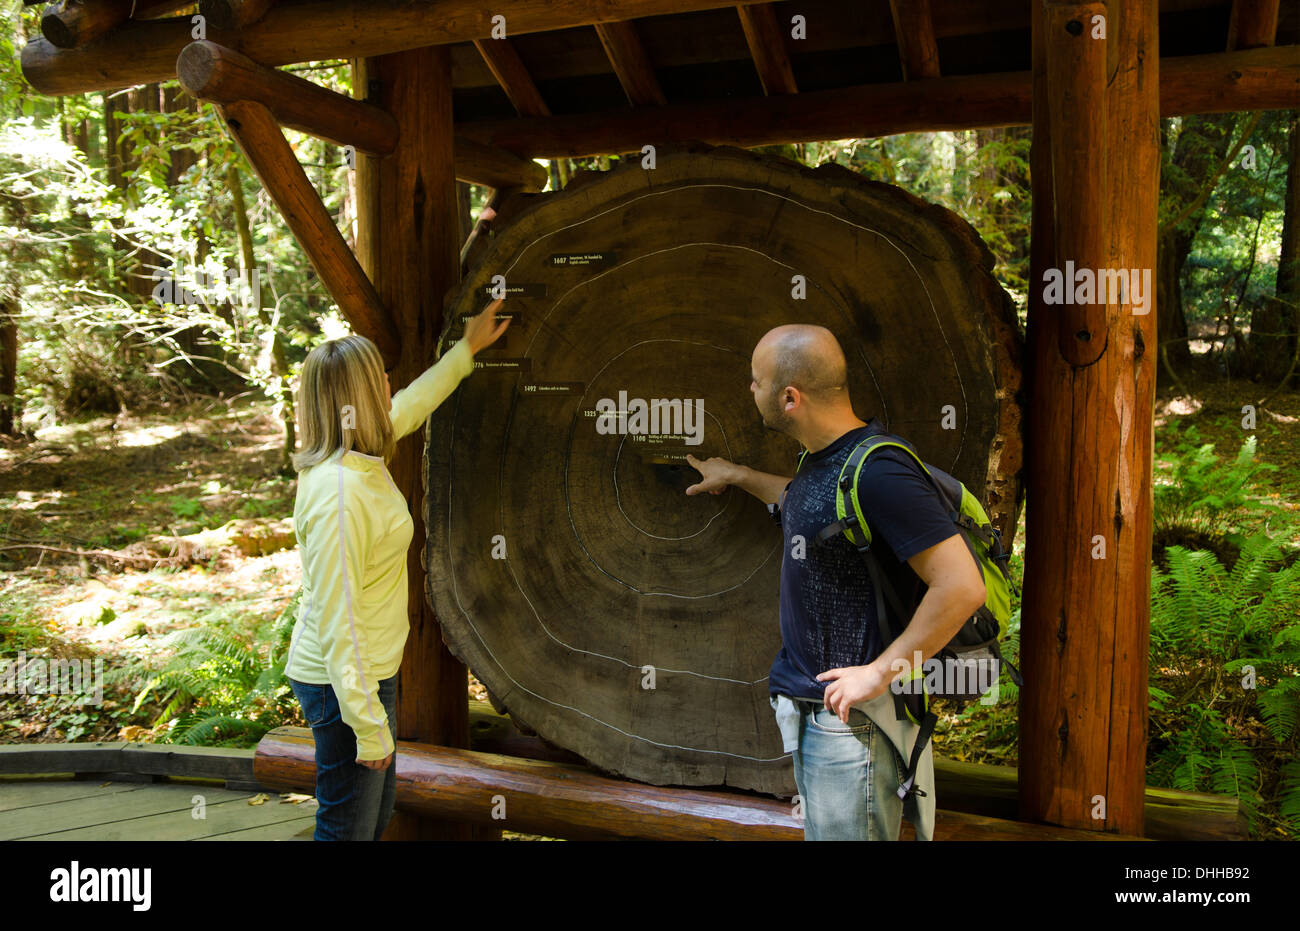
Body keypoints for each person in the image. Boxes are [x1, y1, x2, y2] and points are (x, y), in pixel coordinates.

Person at [684, 324, 985, 841]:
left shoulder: (880, 472)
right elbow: (808, 504)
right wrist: (737, 475)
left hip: (857, 725)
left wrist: (877, 675)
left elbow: (961, 586)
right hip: (821, 714)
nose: (748, 390)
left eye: (755, 381)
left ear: (789, 397)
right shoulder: (826, 462)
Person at [284, 299, 509, 841]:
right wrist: (367, 728)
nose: (390, 382)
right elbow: (340, 624)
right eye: (379, 376)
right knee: (347, 830)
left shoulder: (359, 457)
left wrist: (467, 349)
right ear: (358, 397)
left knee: (372, 819)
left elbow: (414, 402)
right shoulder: (340, 495)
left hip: (362, 676)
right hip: (341, 686)